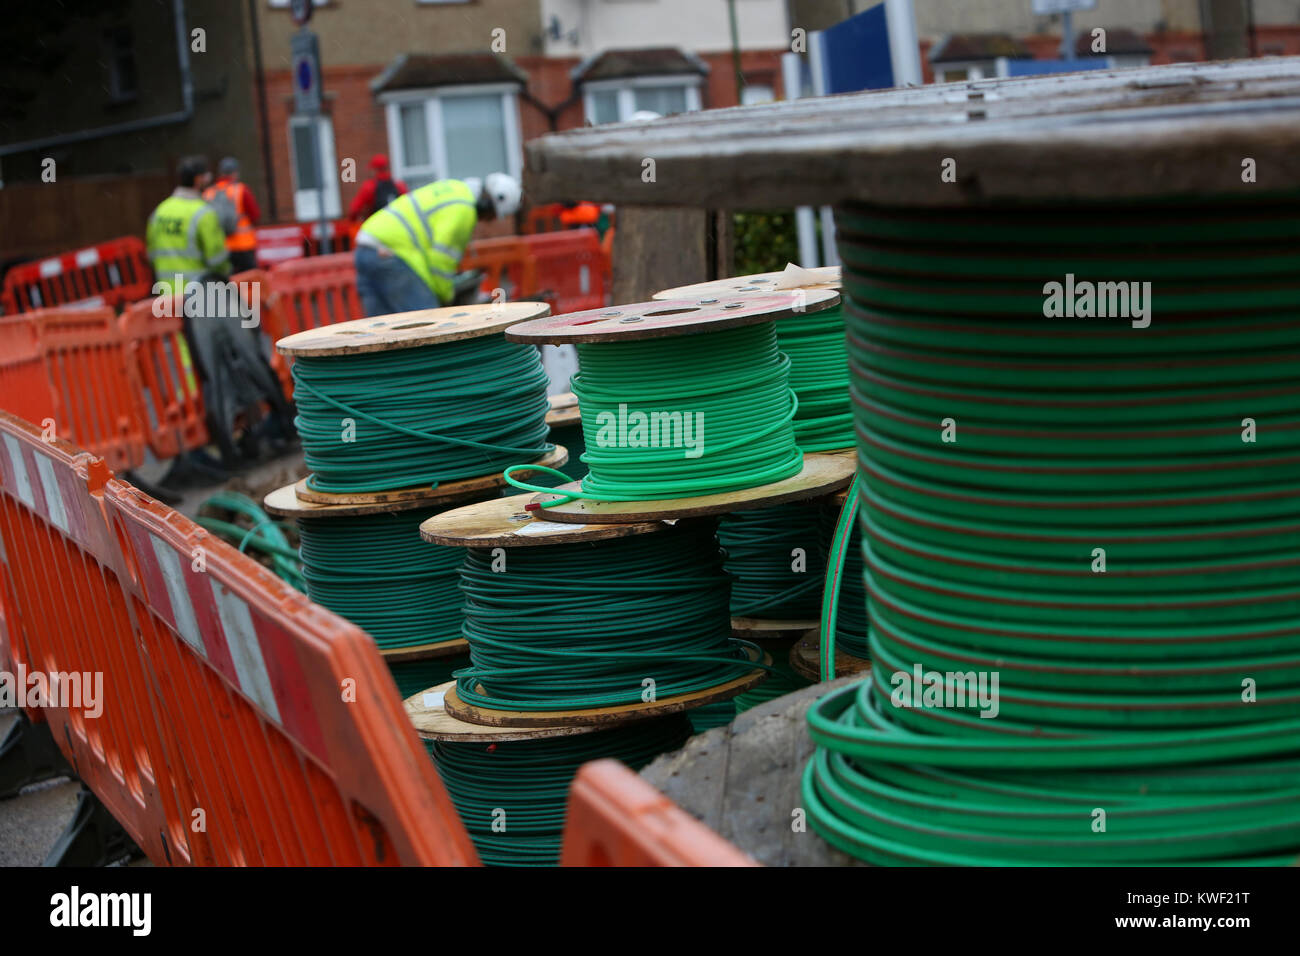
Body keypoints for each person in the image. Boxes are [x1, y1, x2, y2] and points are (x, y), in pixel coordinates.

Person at [146, 156, 293, 472]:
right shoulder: (202, 213)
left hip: (167, 302)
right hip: (203, 304)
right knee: (216, 372)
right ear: (199, 180)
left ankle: (195, 440)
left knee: (186, 372)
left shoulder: (159, 212)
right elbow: (218, 262)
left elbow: (152, 253)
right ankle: (225, 433)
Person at [353, 172, 522, 317]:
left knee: (380, 334)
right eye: (491, 216)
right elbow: (440, 263)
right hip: (393, 254)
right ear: (488, 205)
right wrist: (447, 296)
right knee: (430, 326)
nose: (486, 221)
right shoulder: (464, 211)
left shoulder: (455, 189)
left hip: (366, 247)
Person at [202, 157, 262, 273]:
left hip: (221, 247)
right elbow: (255, 215)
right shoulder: (241, 190)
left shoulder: (208, 193)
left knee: (227, 284)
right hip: (245, 245)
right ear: (235, 173)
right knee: (251, 283)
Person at [348, 154, 408, 222]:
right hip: (398, 224)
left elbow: (354, 210)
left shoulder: (369, 187)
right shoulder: (399, 185)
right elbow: (408, 205)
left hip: (378, 226)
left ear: (374, 169)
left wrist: (354, 220)